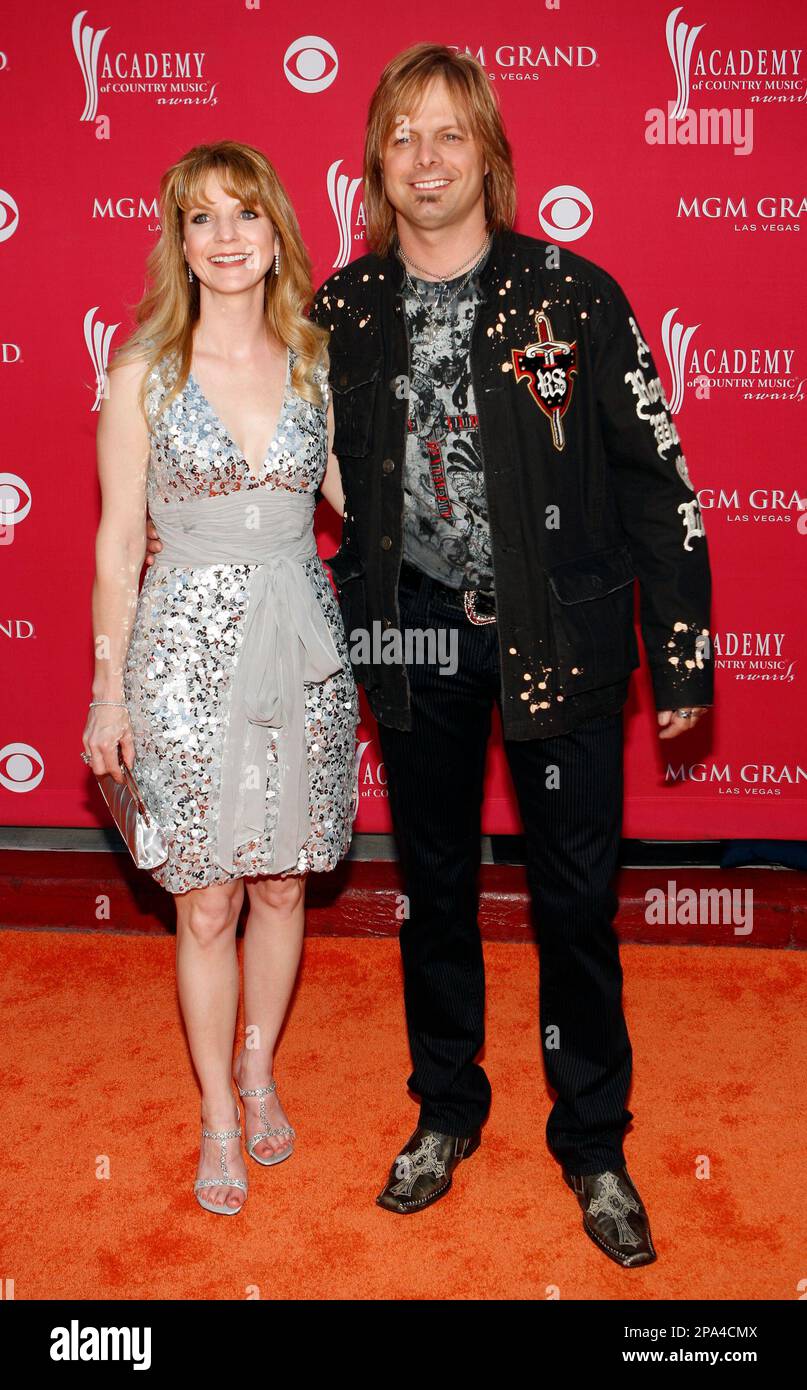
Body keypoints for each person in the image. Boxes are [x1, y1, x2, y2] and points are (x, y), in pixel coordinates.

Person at [147, 44, 713, 1267]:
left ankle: (594, 1138)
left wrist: (679, 659)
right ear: (376, 166)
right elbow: (283, 460)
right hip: (411, 634)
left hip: (560, 635)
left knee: (573, 900)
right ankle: (447, 1110)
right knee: (437, 892)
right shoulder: (337, 314)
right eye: (403, 137)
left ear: (491, 158)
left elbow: (654, 478)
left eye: (450, 134)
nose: (427, 158)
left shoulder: (576, 293)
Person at [83, 140, 359, 1215]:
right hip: (181, 658)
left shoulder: (317, 361)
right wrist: (109, 692)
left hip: (300, 653)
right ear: (181, 242)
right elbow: (115, 547)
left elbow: (358, 504)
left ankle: (257, 1066)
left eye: (245, 214)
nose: (228, 237)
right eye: (203, 219)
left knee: (286, 880)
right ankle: (213, 1114)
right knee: (206, 902)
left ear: (276, 230)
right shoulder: (141, 370)